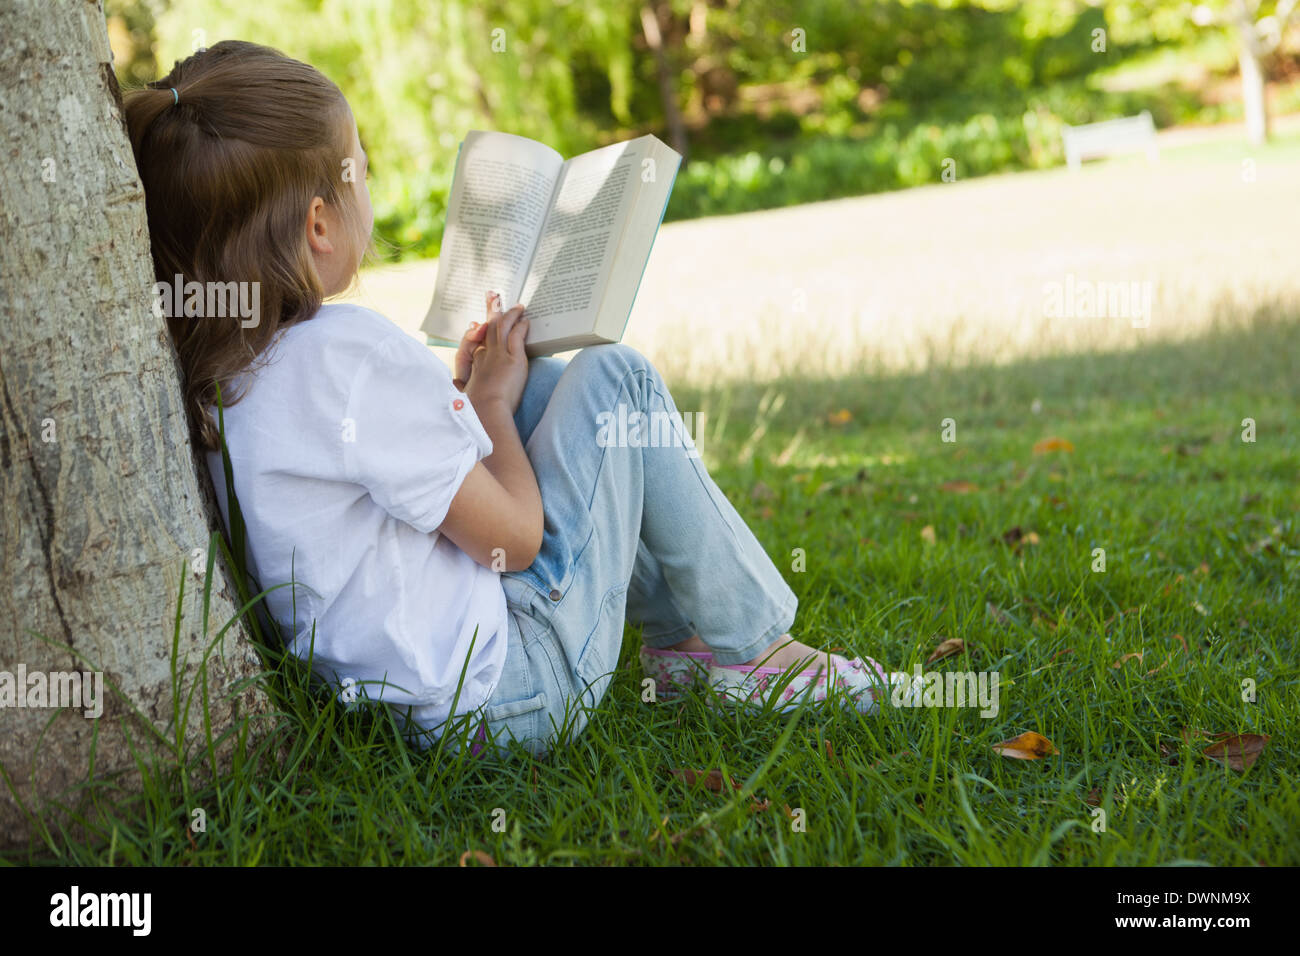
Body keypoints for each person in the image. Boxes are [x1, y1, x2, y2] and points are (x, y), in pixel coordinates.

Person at [124, 40, 889, 758]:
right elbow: (512, 543)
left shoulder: (226, 378)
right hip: (518, 689)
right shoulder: (347, 353)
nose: (370, 177)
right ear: (320, 223)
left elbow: (385, 483)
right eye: (360, 165)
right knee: (613, 379)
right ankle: (765, 656)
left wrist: (483, 397)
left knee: (547, 392)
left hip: (408, 703)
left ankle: (683, 650)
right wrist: (487, 406)